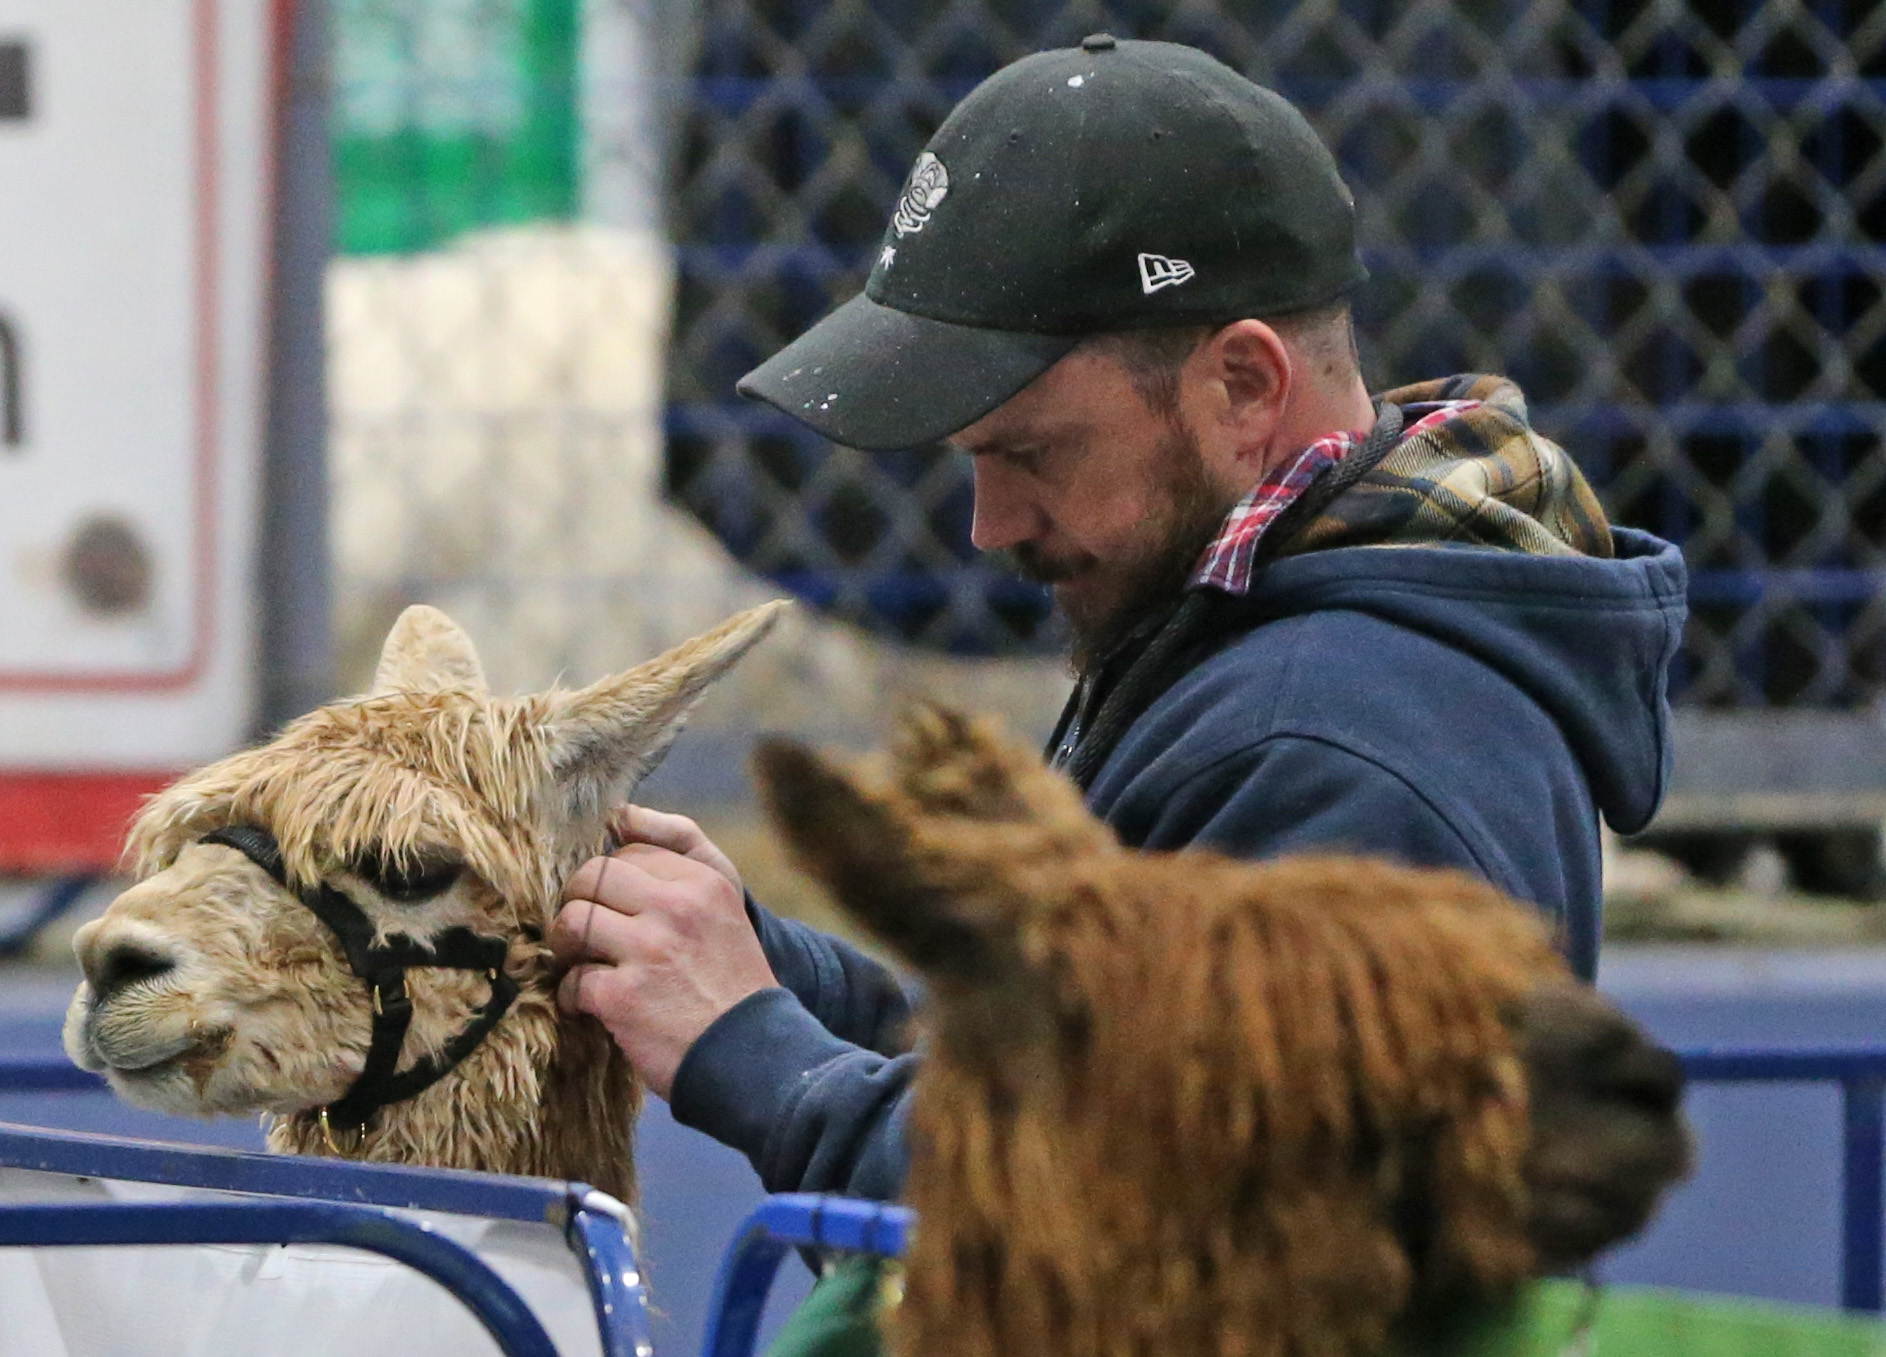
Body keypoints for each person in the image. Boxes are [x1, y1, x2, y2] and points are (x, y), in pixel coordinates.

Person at [549, 37, 1688, 1203]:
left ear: (1242, 386)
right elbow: (1081, 1067)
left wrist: (757, 1058)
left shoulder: (1334, 747)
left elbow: (1136, 1218)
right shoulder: (1262, 635)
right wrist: (762, 972)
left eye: (1031, 451)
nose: (989, 525)